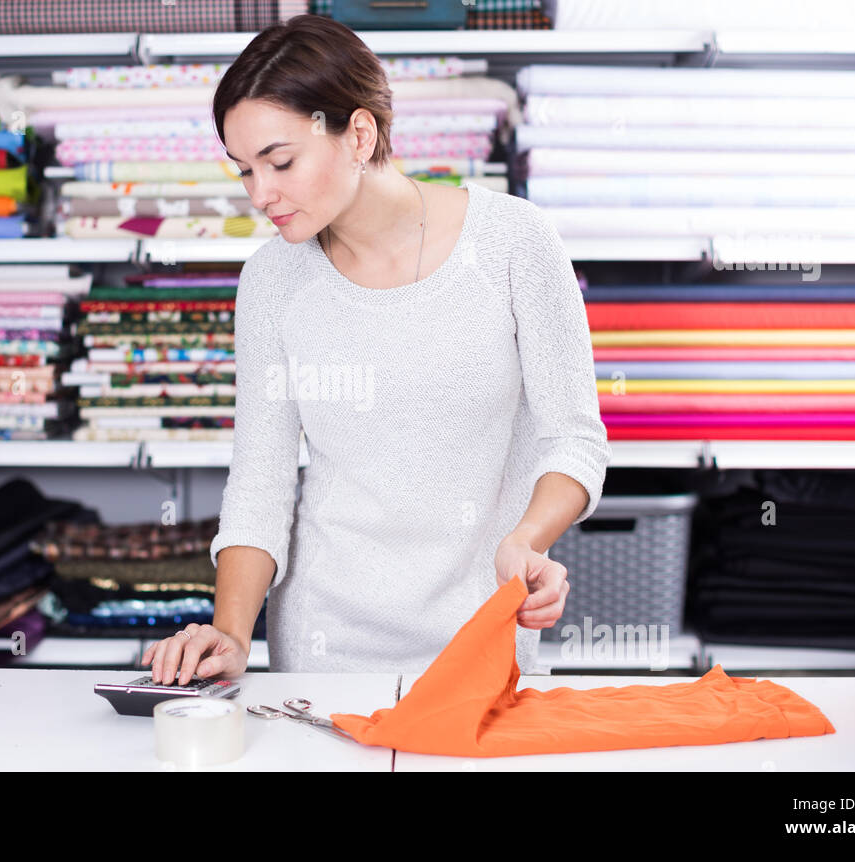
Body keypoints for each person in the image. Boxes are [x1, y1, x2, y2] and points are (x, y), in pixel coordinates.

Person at [142, 14, 611, 684]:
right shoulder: (271, 280)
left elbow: (575, 437)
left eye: (280, 162)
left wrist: (526, 539)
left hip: (481, 634)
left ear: (359, 133)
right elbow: (261, 481)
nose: (259, 195)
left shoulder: (514, 243)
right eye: (244, 170)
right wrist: (230, 634)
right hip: (321, 645)